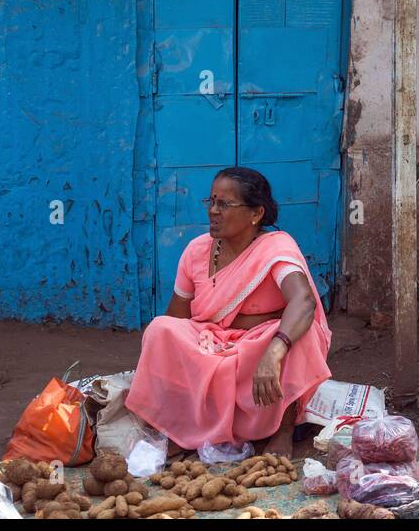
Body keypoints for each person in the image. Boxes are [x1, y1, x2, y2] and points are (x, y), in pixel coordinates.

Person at [126, 167, 332, 451]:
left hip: (256, 348)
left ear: (256, 214)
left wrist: (273, 350)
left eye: (224, 204)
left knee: (299, 335)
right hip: (212, 342)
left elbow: (304, 301)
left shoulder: (276, 248)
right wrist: (189, 349)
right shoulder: (196, 251)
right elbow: (176, 317)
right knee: (159, 330)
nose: (213, 211)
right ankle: (180, 424)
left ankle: (282, 430)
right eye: (210, 202)